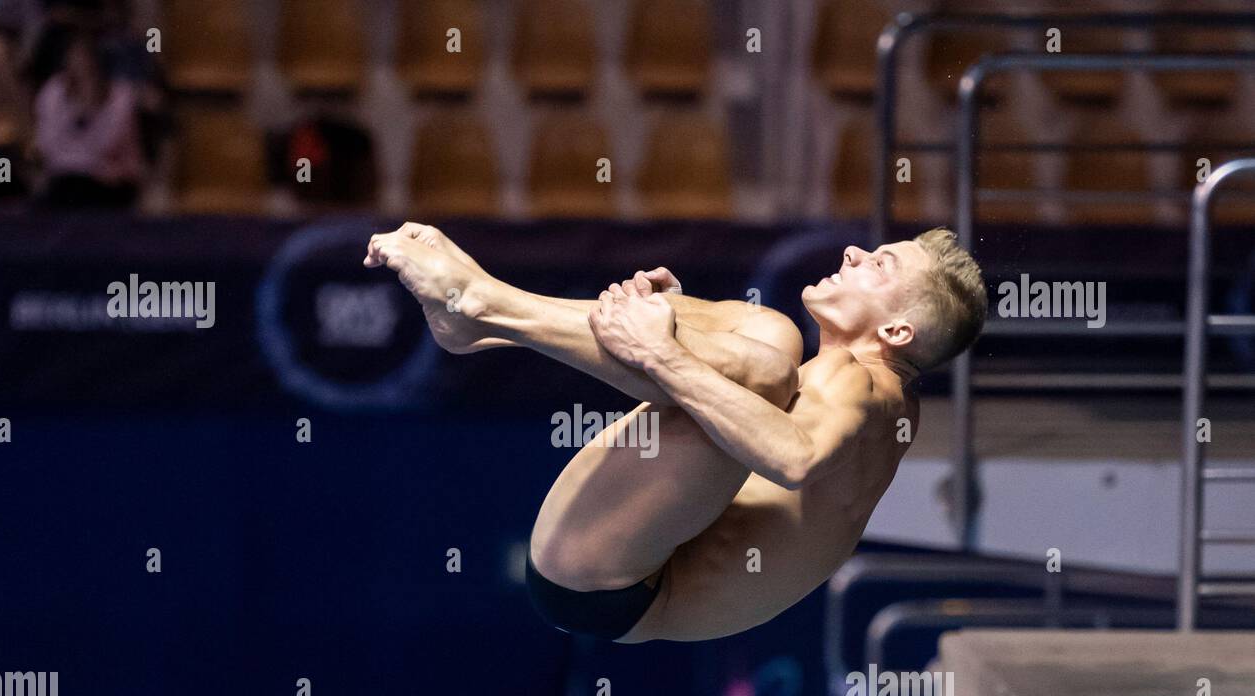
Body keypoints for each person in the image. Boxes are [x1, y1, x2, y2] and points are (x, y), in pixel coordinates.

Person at [364, 222, 987, 643]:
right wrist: (682, 332)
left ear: (898, 333)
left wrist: (662, 354)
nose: (853, 253)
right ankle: (486, 320)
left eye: (880, 265)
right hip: (627, 561)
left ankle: (483, 303)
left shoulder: (860, 385)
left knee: (765, 365)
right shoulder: (882, 396)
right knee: (764, 335)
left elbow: (794, 458)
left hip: (609, 581)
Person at [33, 29, 143, 207]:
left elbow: (108, 145)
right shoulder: (53, 91)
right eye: (76, 56)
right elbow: (47, 144)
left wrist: (92, 103)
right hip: (64, 180)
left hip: (108, 181)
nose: (82, 64)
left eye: (88, 57)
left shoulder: (121, 97)